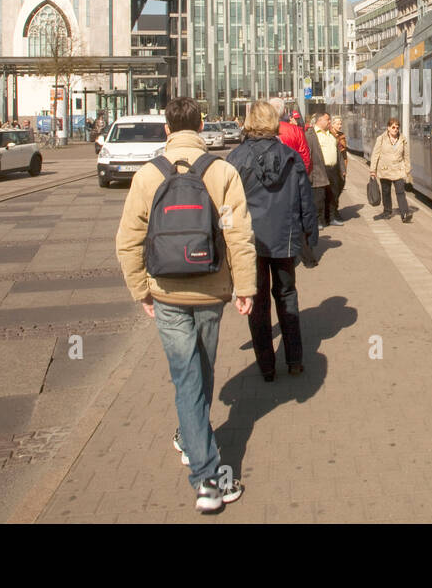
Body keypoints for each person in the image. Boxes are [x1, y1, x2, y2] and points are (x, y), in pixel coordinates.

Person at [115, 96, 257, 514]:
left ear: (166, 130)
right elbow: (238, 235)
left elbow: (127, 240)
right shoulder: (222, 171)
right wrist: (243, 287)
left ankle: (190, 437)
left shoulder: (147, 176)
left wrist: (141, 289)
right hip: (211, 290)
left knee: (188, 375)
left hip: (166, 292)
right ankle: (207, 477)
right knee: (200, 372)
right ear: (200, 126)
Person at [227, 100, 317, 381]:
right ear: (275, 121)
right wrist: (310, 236)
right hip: (284, 238)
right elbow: (306, 201)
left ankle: (266, 366)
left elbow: (226, 206)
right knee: (287, 294)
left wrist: (224, 241)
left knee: (258, 302)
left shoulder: (235, 159)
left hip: (249, 242)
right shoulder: (291, 157)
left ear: (249, 122)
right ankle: (295, 360)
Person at [369, 117, 412, 222]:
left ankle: (405, 214)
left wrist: (408, 170)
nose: (395, 129)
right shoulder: (381, 139)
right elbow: (375, 155)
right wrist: (372, 170)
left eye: (397, 127)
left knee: (400, 192)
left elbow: (406, 155)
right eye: (393, 127)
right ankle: (387, 211)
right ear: (388, 128)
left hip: (398, 170)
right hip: (385, 169)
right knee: (386, 191)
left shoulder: (402, 139)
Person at [302, 115, 335, 228]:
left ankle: (329, 218)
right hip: (317, 170)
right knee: (318, 198)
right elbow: (308, 154)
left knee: (330, 197)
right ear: (319, 120)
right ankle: (318, 221)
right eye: (327, 119)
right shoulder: (310, 135)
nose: (329, 121)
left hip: (331, 170)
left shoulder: (330, 133)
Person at [268, 97, 310, 175]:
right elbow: (305, 157)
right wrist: (302, 177)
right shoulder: (296, 130)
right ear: (284, 111)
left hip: (268, 178)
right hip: (292, 176)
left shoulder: (261, 129)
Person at [330, 116, 348, 193]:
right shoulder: (329, 134)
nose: (340, 126)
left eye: (340, 124)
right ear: (332, 124)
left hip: (341, 162)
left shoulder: (342, 135)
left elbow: (344, 151)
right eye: (337, 124)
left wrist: (344, 167)